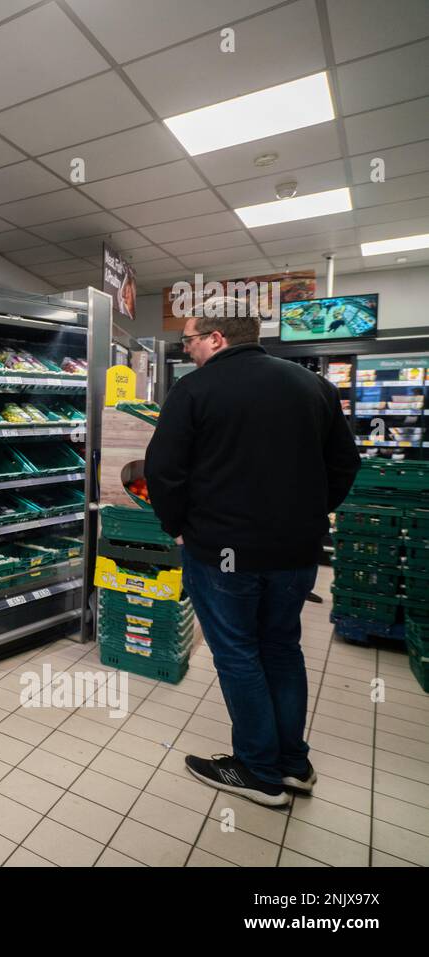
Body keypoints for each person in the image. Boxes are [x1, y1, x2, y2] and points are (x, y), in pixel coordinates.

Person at [144, 296, 360, 807]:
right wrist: (307, 516)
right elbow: (345, 466)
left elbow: (164, 470)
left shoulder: (194, 389)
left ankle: (260, 773)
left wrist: (176, 526)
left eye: (191, 340)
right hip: (296, 550)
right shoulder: (315, 386)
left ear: (217, 338)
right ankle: (293, 765)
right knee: (282, 649)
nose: (189, 349)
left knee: (238, 653)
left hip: (223, 552)